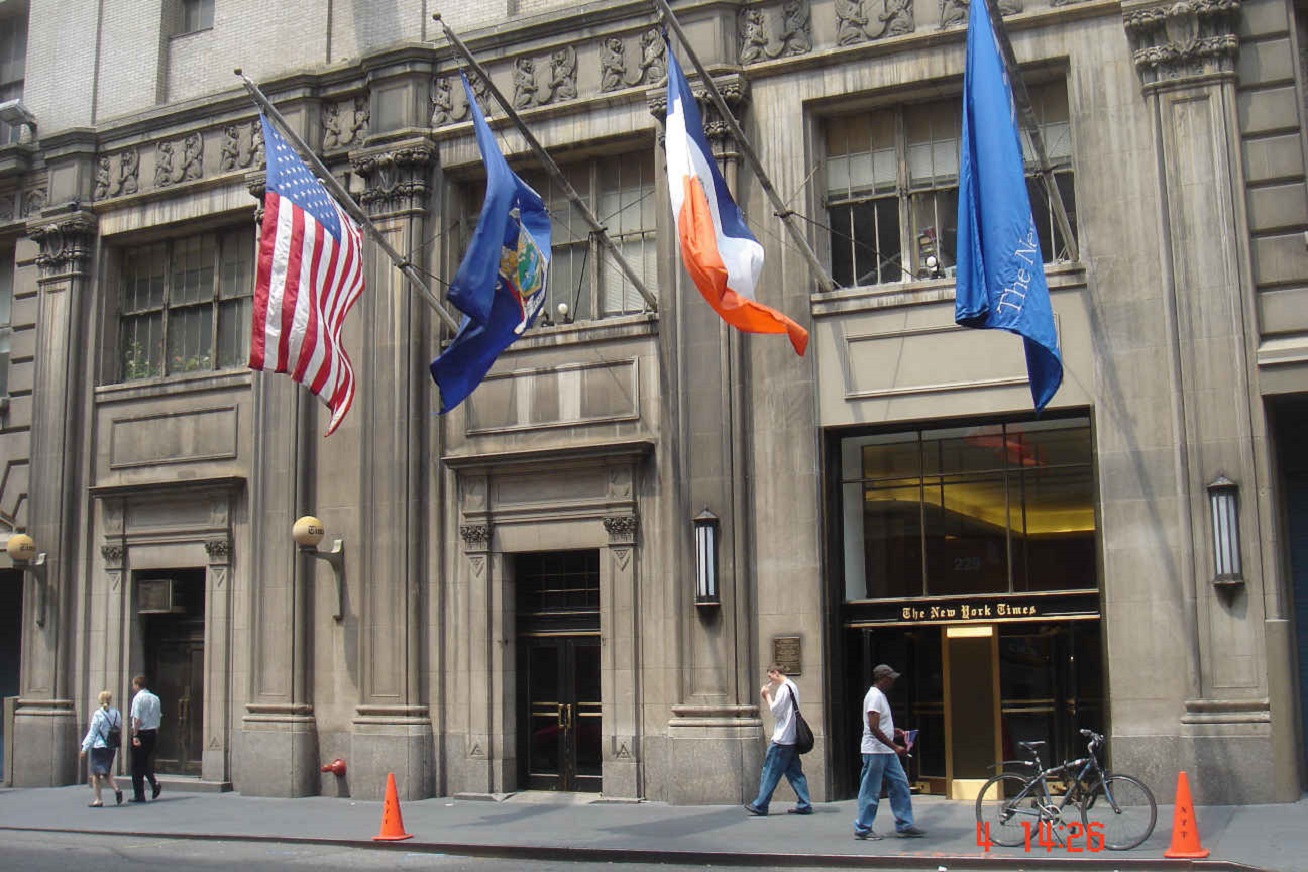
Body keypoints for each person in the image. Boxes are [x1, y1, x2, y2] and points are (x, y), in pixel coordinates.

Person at [853, 664, 926, 840]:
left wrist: (895, 732)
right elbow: (873, 727)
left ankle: (904, 824)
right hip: (875, 751)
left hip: (886, 751)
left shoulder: (880, 696)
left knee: (900, 784)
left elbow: (881, 727)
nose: (892, 681)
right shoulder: (874, 697)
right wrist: (895, 747)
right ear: (882, 678)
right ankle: (863, 828)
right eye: (890, 678)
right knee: (871, 789)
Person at [745, 664, 812, 816]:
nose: (770, 680)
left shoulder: (783, 688)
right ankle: (804, 803)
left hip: (782, 739)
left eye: (770, 676)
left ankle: (760, 805)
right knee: (794, 772)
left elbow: (775, 711)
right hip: (791, 738)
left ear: (776, 673)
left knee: (769, 771)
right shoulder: (792, 686)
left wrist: (766, 695)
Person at [79, 690, 123, 807]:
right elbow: (118, 729)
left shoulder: (98, 714)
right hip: (111, 746)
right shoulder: (116, 714)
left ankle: (98, 799)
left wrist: (84, 748)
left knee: (96, 774)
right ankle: (116, 789)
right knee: (106, 771)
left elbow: (92, 733)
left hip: (99, 746)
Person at [129, 674, 162, 802]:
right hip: (152, 732)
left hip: (141, 733)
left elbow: (137, 718)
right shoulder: (155, 698)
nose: (133, 687)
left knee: (136, 765)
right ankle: (154, 784)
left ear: (137, 685)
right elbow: (158, 717)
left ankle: (139, 794)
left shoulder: (138, 698)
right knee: (144, 762)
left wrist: (135, 735)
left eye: (133, 685)